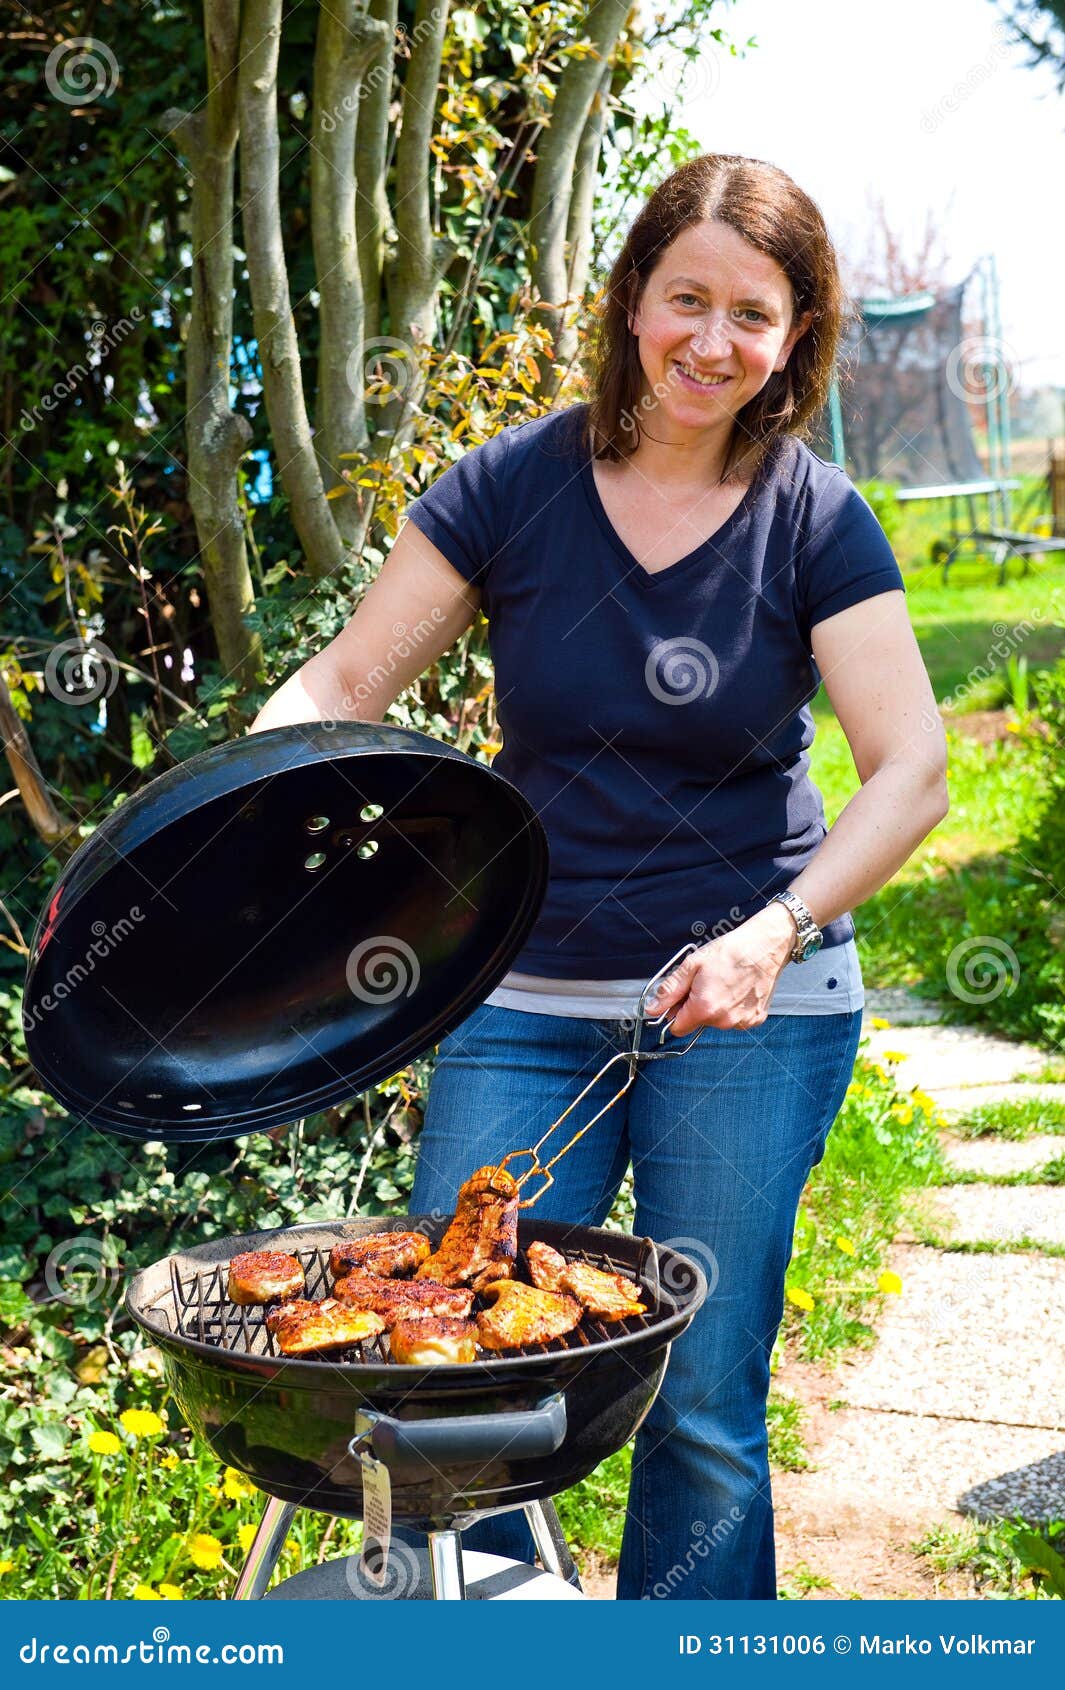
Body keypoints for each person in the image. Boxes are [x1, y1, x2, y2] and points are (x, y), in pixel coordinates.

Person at [251, 153, 948, 1599]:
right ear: (632, 300)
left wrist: (772, 929)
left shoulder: (814, 519)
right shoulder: (512, 488)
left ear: (795, 337)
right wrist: (239, 790)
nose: (711, 342)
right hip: (521, 1001)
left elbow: (912, 772)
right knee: (470, 1377)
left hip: (755, 1007)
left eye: (751, 315)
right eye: (684, 298)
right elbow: (347, 676)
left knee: (696, 1393)